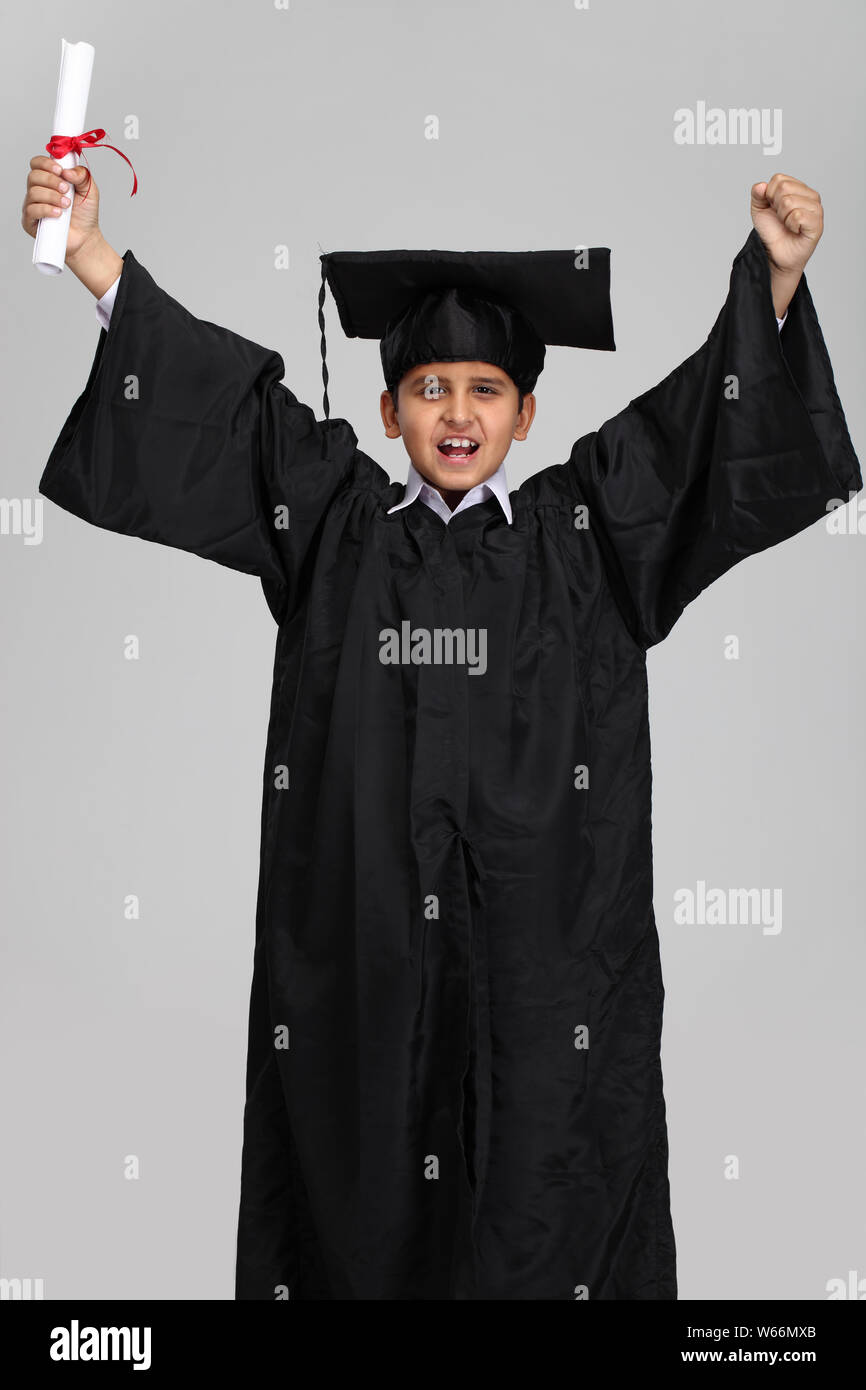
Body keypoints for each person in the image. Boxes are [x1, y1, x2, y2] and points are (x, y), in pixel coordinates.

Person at [22, 156, 861, 1300]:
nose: (455, 413)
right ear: (386, 410)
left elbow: (700, 426)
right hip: (368, 947)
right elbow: (219, 399)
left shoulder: (586, 530)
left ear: (525, 409)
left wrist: (770, 277)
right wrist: (87, 256)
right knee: (363, 1178)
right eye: (427, 388)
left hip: (548, 955)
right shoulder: (334, 518)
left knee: (546, 1174)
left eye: (482, 389)